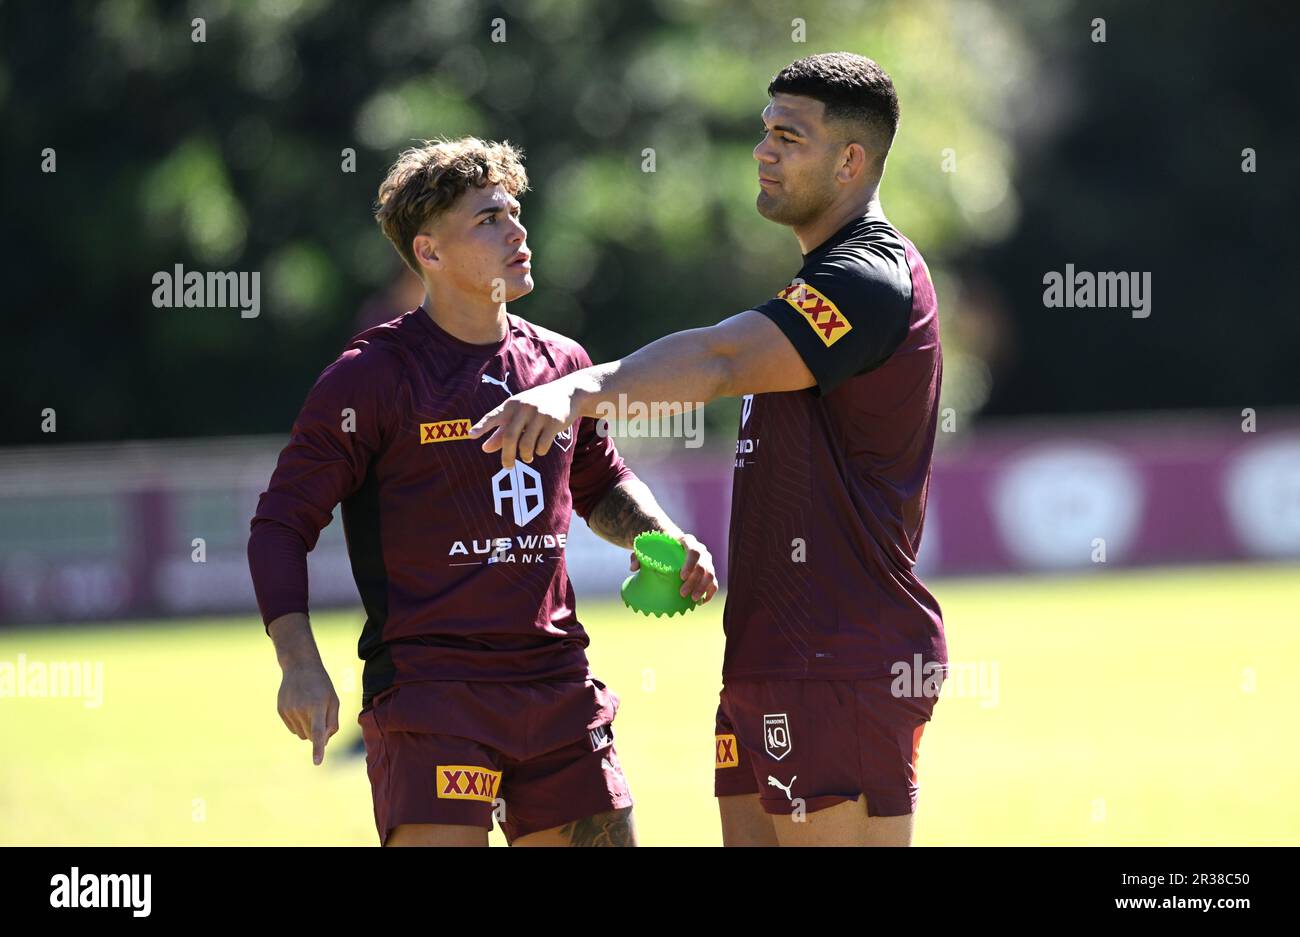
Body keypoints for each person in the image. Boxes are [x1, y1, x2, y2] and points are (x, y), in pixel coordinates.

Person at [470, 53, 947, 846]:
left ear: (850, 160)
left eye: (789, 137)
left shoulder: (869, 276)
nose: (763, 151)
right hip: (772, 652)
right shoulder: (820, 279)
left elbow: (720, 360)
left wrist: (574, 389)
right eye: (765, 132)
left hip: (840, 656)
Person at [247, 137, 717, 847]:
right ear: (429, 252)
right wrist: (300, 664)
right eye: (489, 219)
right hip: (432, 696)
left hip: (559, 687)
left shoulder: (563, 365)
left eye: (516, 212)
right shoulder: (369, 377)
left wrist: (663, 536)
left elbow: (601, 483)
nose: (518, 232)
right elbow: (280, 524)